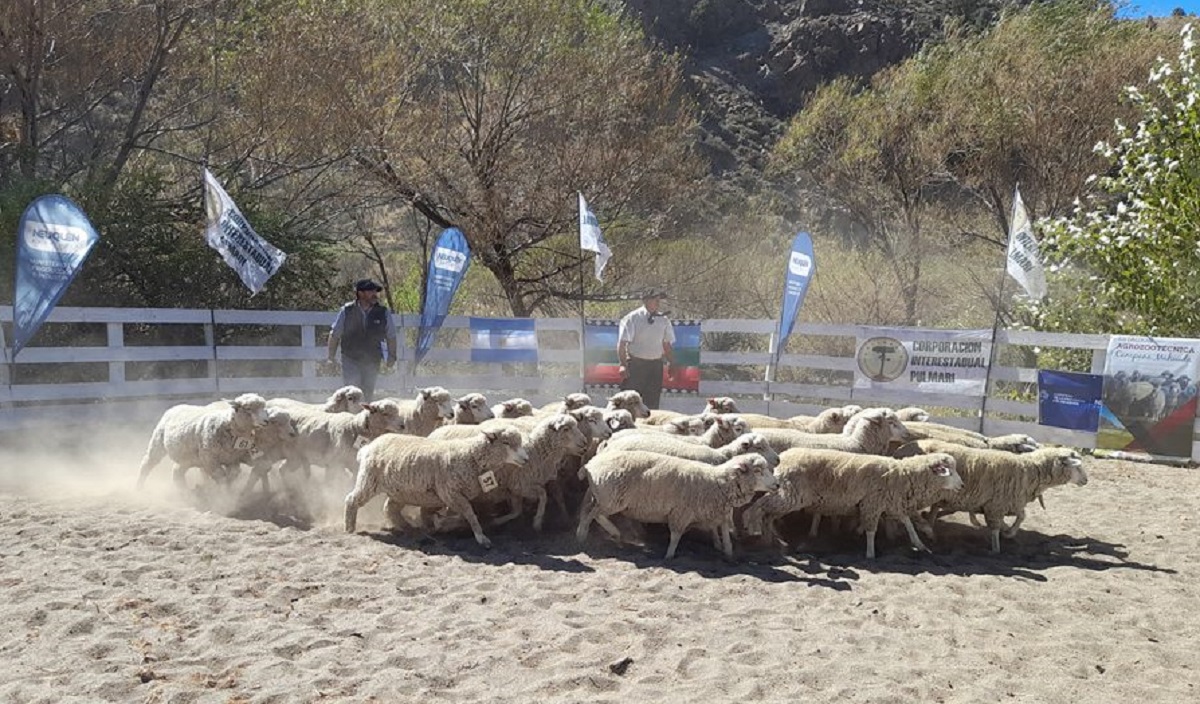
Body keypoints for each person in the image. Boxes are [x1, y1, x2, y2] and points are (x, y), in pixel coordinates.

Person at [326, 279, 398, 402]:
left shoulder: (383, 312)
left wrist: (392, 356)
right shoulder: (347, 311)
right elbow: (335, 335)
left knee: (368, 392)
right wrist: (330, 357)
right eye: (371, 291)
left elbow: (391, 336)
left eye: (376, 291)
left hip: (372, 359)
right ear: (360, 293)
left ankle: (364, 419)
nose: (375, 294)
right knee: (352, 391)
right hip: (350, 358)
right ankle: (351, 419)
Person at [617, 289, 676, 410]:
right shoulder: (632, 318)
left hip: (655, 366)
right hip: (636, 365)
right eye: (655, 299)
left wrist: (671, 362)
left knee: (652, 402)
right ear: (645, 300)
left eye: (659, 299)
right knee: (630, 402)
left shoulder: (663, 320)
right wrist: (623, 364)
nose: (658, 302)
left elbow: (666, 344)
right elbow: (622, 343)